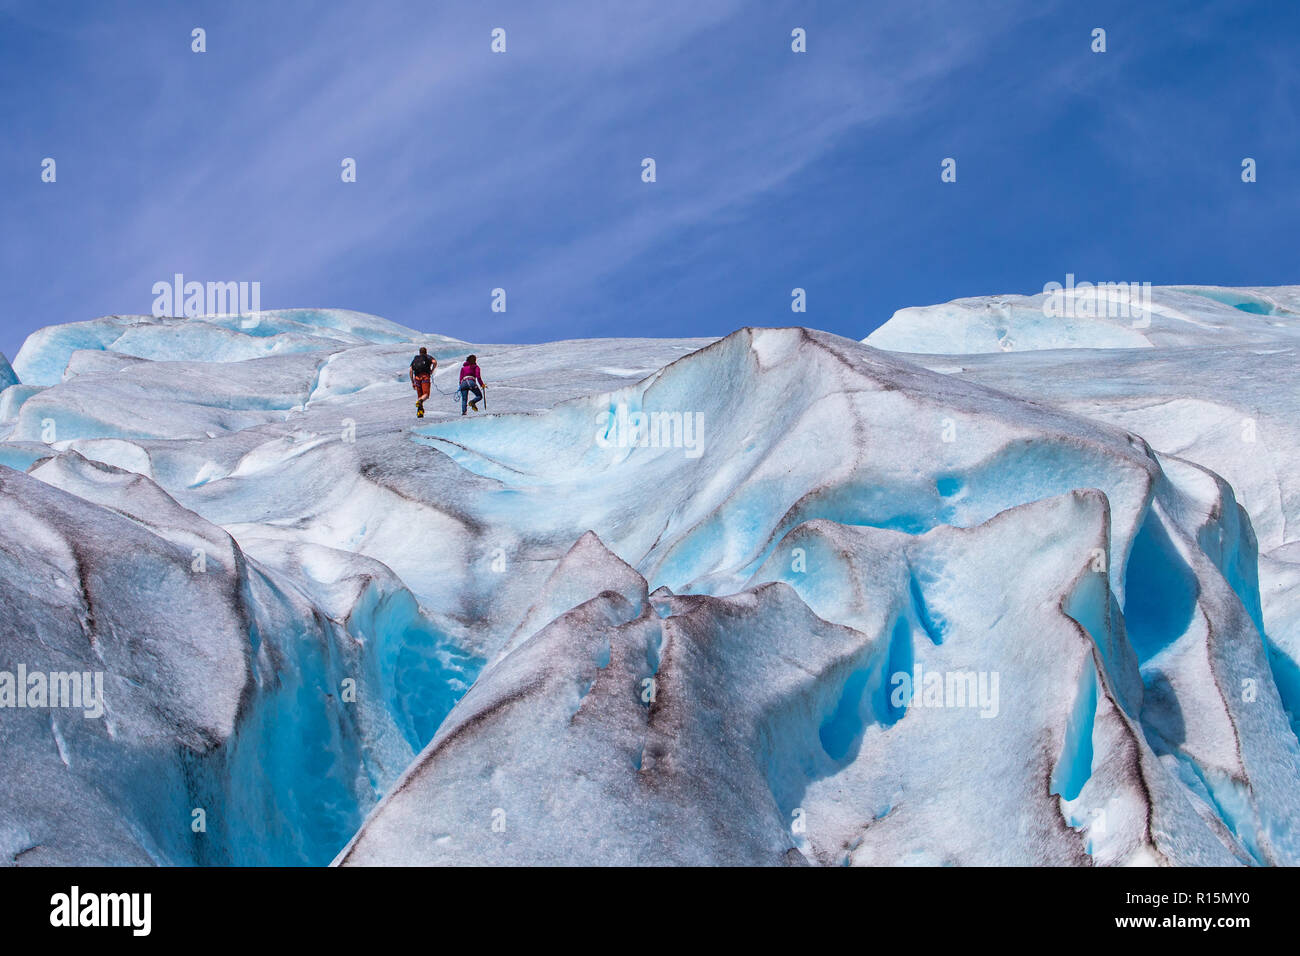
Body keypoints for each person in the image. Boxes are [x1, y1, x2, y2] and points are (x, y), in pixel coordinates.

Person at [409, 347, 437, 417]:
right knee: (426, 395)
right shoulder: (427, 357)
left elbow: (410, 370)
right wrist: (432, 370)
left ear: (419, 352)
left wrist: (412, 382)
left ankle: (420, 412)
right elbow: (434, 362)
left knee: (420, 396)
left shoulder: (416, 358)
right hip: (425, 376)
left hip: (417, 378)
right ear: (426, 352)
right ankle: (420, 402)